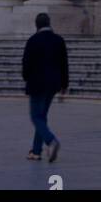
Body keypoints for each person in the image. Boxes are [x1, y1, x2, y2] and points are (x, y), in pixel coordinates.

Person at [21, 12, 69, 161]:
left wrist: (26, 77)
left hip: (37, 83)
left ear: (37, 25)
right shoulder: (58, 40)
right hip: (53, 84)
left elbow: (26, 64)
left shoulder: (33, 40)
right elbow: (64, 64)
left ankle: (51, 141)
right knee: (42, 117)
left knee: (36, 117)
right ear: (49, 23)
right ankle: (36, 151)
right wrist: (64, 84)